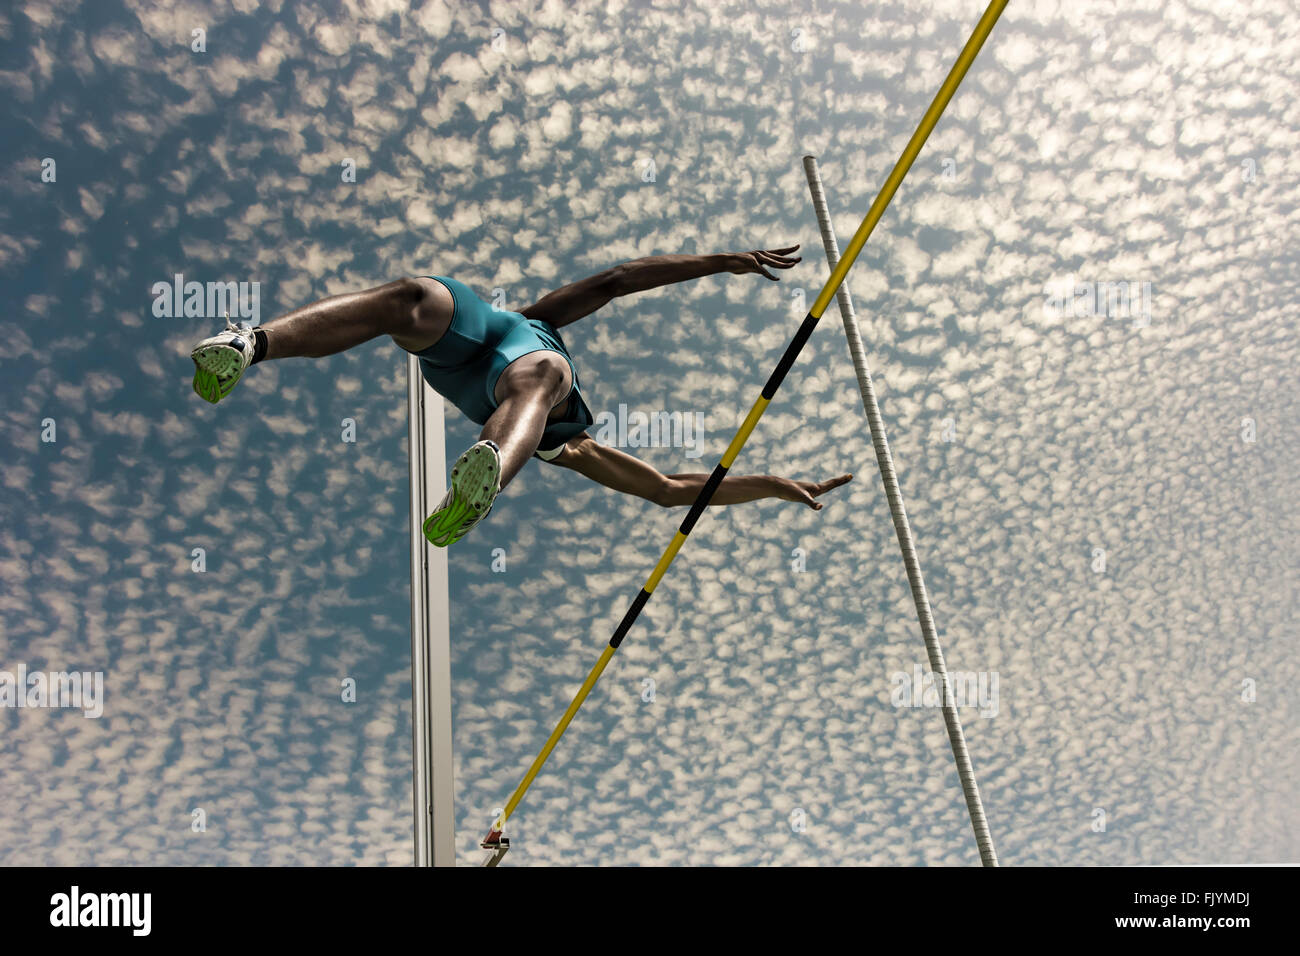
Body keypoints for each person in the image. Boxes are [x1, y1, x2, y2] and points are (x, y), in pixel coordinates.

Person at [190, 244, 852, 546]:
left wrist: (773, 484)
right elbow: (619, 279)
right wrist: (715, 260)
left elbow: (675, 489)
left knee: (409, 303)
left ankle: (484, 470)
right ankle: (248, 345)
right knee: (412, 301)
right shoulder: (557, 370)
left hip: (471, 372)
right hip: (509, 342)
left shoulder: (573, 450)